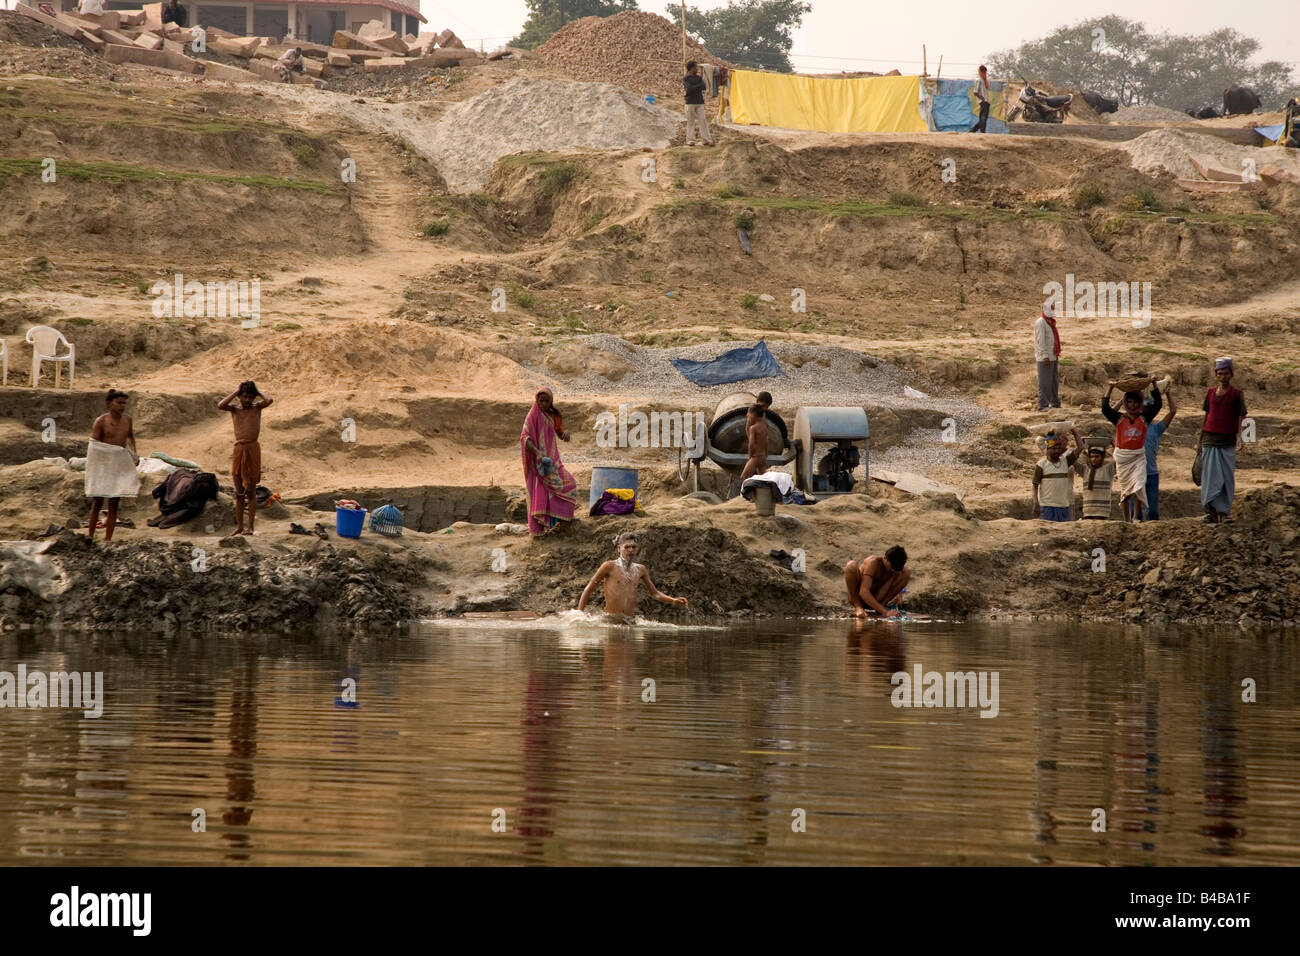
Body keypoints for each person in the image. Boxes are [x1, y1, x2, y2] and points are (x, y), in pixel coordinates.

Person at [577, 532, 687, 620]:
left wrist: (673, 600)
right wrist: (579, 614)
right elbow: (588, 589)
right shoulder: (609, 566)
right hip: (610, 620)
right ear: (619, 548)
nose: (631, 550)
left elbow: (655, 593)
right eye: (627, 547)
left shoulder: (640, 569)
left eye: (634, 547)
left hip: (629, 621)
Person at [1102, 380, 1161, 522]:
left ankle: (1135, 517)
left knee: (1138, 486)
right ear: (1125, 403)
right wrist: (1110, 388)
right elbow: (1105, 408)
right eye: (1129, 402)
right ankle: (1126, 519)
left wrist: (1153, 384)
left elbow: (1158, 404)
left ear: (1140, 403)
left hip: (1138, 457)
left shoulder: (1144, 418)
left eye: (1135, 402)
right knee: (1126, 491)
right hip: (1123, 458)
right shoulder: (1120, 418)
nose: (1132, 405)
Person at [218, 381, 272, 535]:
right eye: (245, 397)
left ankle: (251, 527)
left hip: (253, 449)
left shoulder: (256, 408)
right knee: (239, 492)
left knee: (251, 491)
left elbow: (269, 400)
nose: (247, 400)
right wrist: (236, 392)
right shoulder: (235, 409)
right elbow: (220, 405)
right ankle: (240, 527)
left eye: (250, 397)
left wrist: (258, 391)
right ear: (240, 397)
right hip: (239, 449)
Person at [521, 387, 577, 535]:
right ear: (537, 400)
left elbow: (559, 432)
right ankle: (541, 527)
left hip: (552, 460)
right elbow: (525, 438)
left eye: (547, 401)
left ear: (551, 401)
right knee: (540, 491)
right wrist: (537, 452)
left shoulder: (554, 415)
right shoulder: (532, 415)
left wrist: (565, 435)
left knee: (569, 484)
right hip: (538, 463)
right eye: (541, 400)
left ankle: (559, 523)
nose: (544, 404)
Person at [86, 389, 139, 542]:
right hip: (103, 466)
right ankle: (90, 537)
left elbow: (130, 437)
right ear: (109, 404)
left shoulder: (127, 420)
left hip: (118, 465)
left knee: (114, 504)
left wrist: (133, 454)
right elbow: (94, 447)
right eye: (119, 403)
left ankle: (108, 539)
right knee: (97, 502)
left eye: (124, 403)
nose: (122, 406)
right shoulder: (101, 421)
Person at [1199, 357, 1246, 523]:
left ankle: (1224, 512)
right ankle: (1210, 512)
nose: (1223, 377)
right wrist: (1200, 440)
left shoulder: (1236, 394)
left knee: (1226, 477)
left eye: (1226, 373)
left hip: (1227, 440)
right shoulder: (1211, 392)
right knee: (1209, 477)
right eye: (1220, 373)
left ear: (1231, 374)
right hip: (1210, 439)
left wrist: (1239, 436)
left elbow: (1241, 415)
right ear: (1216, 375)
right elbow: (1206, 415)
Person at [843, 546, 910, 618]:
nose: (893, 570)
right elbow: (863, 592)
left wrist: (899, 595)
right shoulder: (873, 563)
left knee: (906, 572)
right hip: (860, 598)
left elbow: (896, 580)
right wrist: (885, 612)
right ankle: (858, 607)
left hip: (878, 599)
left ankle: (880, 607)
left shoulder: (895, 570)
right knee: (851, 565)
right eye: (892, 567)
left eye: (896, 568)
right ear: (885, 558)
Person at [1140, 386, 1176, 520]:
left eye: (1148, 408)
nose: (1146, 410)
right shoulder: (1134, 426)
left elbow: (1172, 411)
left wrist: (1168, 392)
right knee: (1136, 513)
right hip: (1137, 473)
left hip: (1151, 474)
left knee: (1153, 512)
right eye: (1144, 408)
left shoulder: (1156, 428)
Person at [1031, 428, 1082, 521]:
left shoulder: (1065, 461)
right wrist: (1035, 502)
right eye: (1054, 448)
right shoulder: (1041, 464)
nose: (1057, 451)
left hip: (1063, 506)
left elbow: (1080, 448)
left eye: (1058, 448)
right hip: (1047, 507)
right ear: (1048, 449)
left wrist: (1074, 432)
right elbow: (1035, 485)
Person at [1075, 440, 1116, 519]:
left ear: (1102, 457)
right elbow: (1072, 460)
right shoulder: (1085, 469)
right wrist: (1080, 446)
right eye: (1092, 456)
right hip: (1087, 511)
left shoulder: (1108, 469)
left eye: (1097, 456)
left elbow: (1118, 460)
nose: (1093, 459)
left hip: (1102, 511)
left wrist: (1114, 445)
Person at [1033, 302, 1061, 410]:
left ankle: (1055, 403)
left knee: (1054, 381)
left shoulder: (1050, 322)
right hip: (1045, 358)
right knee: (1044, 382)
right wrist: (1044, 356)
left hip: (1053, 355)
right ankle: (1043, 405)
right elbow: (1040, 341)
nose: (1052, 312)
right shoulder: (1041, 322)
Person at [683, 60, 713, 147]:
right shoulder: (686, 78)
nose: (697, 68)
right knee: (690, 122)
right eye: (696, 67)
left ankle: (706, 140)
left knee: (703, 120)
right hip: (690, 102)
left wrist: (694, 87)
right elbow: (689, 89)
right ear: (691, 68)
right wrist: (698, 86)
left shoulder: (699, 78)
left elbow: (704, 87)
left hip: (700, 102)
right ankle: (690, 140)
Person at [738, 403, 768, 484]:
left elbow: (751, 444)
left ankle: (746, 495)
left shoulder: (753, 428)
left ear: (754, 415)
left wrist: (750, 456)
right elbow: (766, 442)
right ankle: (764, 494)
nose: (747, 415)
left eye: (749, 413)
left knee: (744, 476)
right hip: (763, 456)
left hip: (755, 457)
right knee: (764, 477)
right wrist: (766, 455)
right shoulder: (764, 426)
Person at [969, 65, 991, 133]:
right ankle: (982, 132)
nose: (985, 73)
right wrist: (983, 99)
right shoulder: (979, 80)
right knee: (983, 117)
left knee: (983, 118)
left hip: (986, 101)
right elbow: (975, 92)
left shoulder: (983, 80)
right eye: (984, 72)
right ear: (981, 72)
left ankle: (972, 131)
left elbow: (987, 86)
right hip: (984, 101)